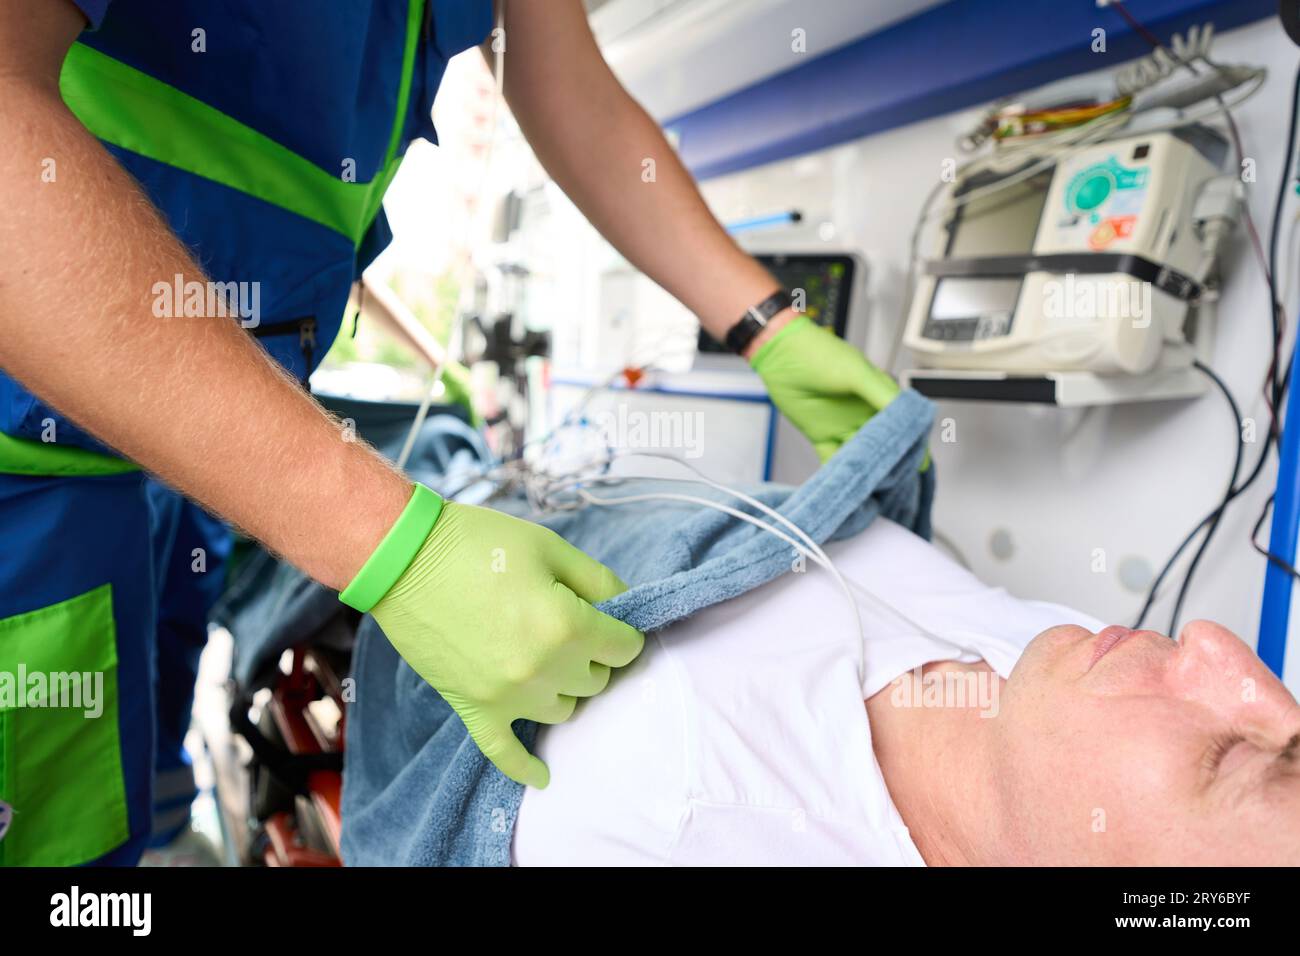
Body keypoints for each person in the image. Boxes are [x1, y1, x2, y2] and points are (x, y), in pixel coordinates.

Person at [0, 0, 899, 865]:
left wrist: (764, 325)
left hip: (171, 450)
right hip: (23, 458)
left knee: (111, 790)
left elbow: (571, 92)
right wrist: (395, 548)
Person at [512, 517, 1300, 866]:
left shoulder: (666, 809)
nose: (1213, 643)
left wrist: (400, 550)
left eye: (1226, 756)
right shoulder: (1073, 672)